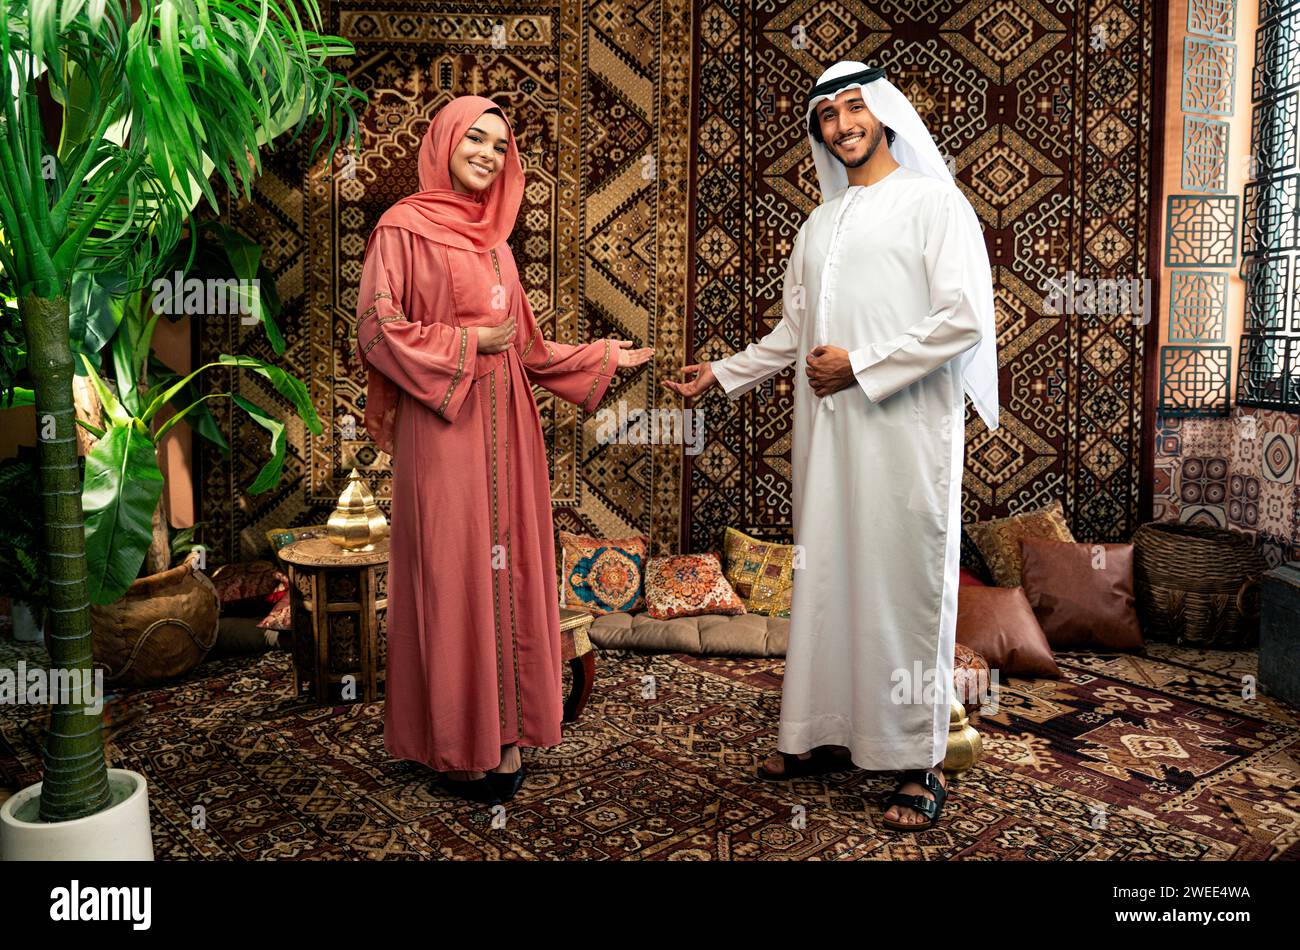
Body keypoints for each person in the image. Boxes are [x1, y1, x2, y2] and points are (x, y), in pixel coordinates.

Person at [663, 61, 1000, 832]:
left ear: (882, 114)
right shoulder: (819, 224)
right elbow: (796, 331)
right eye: (826, 116)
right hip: (831, 432)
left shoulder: (934, 203)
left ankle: (917, 761)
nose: (843, 125)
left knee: (902, 581)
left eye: (854, 108)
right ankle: (816, 733)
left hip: (906, 433)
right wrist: (721, 374)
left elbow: (961, 319)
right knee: (829, 581)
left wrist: (861, 365)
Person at [355, 96, 653, 805]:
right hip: (444, 424)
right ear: (446, 141)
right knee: (455, 572)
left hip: (508, 428)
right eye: (475, 139)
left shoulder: (496, 240)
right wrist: (463, 343)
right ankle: (461, 748)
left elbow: (529, 348)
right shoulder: (401, 227)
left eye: (500, 145)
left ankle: (508, 742)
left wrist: (608, 355)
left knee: (509, 573)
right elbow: (375, 327)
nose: (488, 154)